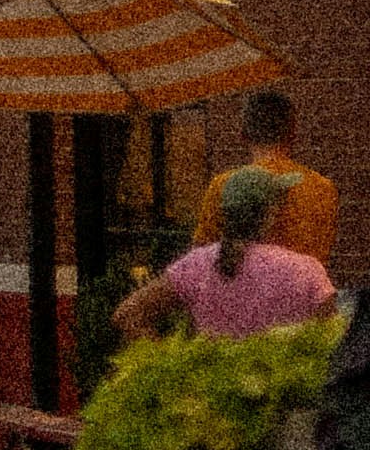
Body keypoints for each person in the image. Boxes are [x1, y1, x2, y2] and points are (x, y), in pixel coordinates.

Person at [114, 159, 342, 346]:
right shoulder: (306, 271)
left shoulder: (198, 265)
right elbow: (336, 343)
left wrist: (173, 369)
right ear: (271, 213)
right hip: (289, 396)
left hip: (210, 396)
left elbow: (128, 315)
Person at [192, 89, 338, 278]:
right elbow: (322, 254)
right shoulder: (323, 189)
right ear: (292, 134)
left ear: (243, 134)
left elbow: (201, 256)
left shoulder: (223, 185)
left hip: (241, 297)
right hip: (304, 295)